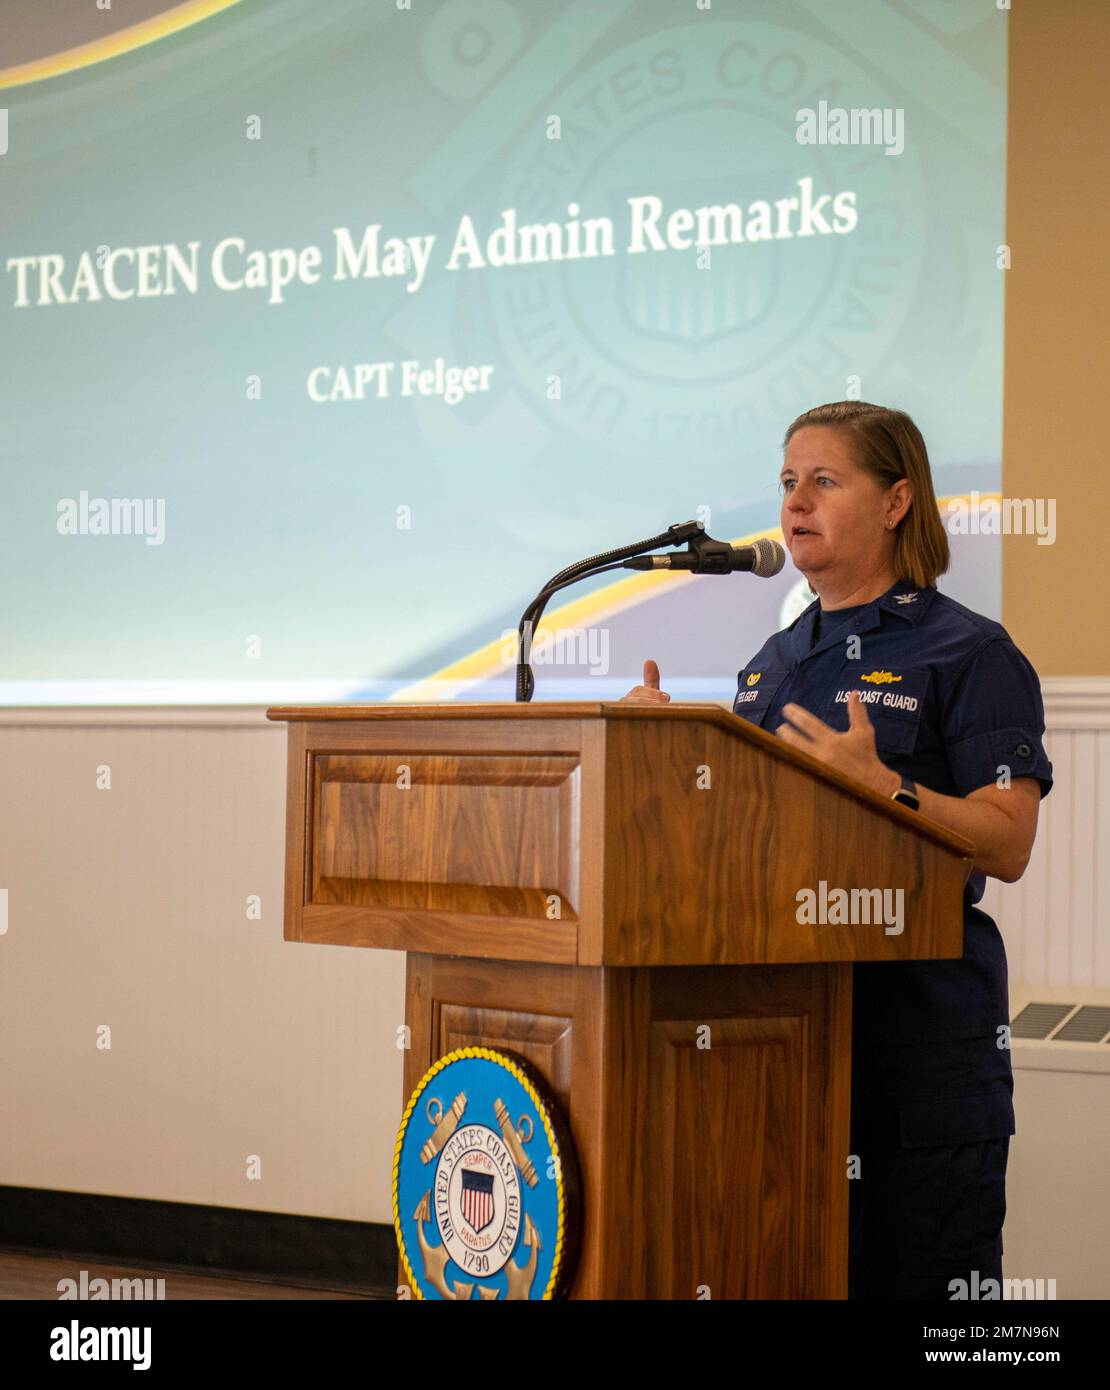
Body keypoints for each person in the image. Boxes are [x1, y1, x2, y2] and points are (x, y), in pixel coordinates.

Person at [621, 400, 1053, 1299]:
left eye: (825, 480)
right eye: (787, 483)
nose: (795, 504)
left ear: (896, 502)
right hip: (782, 1047)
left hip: (918, 1054)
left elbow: (1008, 843)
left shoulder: (970, 652)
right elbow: (738, 835)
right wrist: (658, 761)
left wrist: (888, 790)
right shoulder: (774, 661)